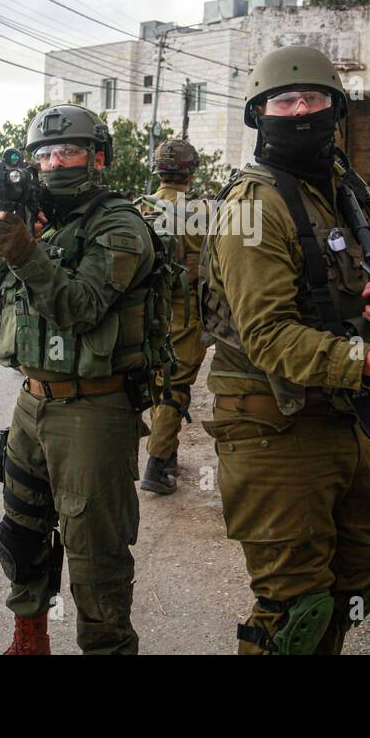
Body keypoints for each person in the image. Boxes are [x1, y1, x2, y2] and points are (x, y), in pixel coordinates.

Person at [198, 45, 370, 654]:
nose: (301, 110)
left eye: (314, 99)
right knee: (294, 606)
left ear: (335, 109)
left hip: (333, 410)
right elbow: (269, 333)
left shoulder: (344, 191)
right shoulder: (255, 208)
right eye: (285, 101)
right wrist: (365, 359)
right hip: (269, 417)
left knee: (362, 574)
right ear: (260, 115)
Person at [0, 104, 156, 655]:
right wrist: (8, 230)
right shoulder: (35, 215)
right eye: (43, 155)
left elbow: (81, 307)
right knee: (23, 532)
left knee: (96, 560)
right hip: (32, 401)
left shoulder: (119, 225)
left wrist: (25, 250)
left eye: (66, 151)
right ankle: (30, 640)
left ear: (96, 158)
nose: (53, 164)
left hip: (94, 410)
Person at [138, 138, 208, 494]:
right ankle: (156, 462)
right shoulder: (202, 213)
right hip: (182, 310)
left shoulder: (139, 208)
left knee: (156, 381)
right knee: (175, 387)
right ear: (190, 172)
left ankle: (167, 457)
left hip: (145, 310)